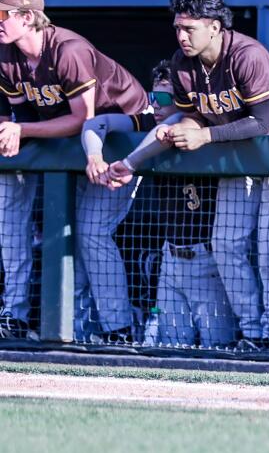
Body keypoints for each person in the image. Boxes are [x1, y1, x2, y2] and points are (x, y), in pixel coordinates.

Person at [105, 0, 269, 352]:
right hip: (234, 143)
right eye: (178, 28)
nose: (182, 36)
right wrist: (145, 153)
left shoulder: (248, 54)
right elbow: (191, 116)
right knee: (225, 241)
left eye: (190, 28)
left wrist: (203, 135)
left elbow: (262, 123)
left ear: (215, 27)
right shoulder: (181, 64)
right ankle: (252, 332)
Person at [0, 0, 149, 343]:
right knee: (47, 228)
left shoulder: (68, 49)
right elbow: (21, 116)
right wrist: (10, 129)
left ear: (28, 16)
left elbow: (83, 119)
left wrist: (23, 132)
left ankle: (119, 329)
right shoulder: (7, 55)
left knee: (91, 232)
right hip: (69, 143)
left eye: (2, 14)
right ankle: (61, 327)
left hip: (119, 136)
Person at [83, 60, 236, 348]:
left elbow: (172, 126)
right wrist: (95, 155)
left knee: (219, 349)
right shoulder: (148, 126)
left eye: (164, 98)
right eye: (153, 98)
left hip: (208, 260)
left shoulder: (202, 125)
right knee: (170, 350)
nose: (156, 105)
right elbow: (97, 123)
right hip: (170, 260)